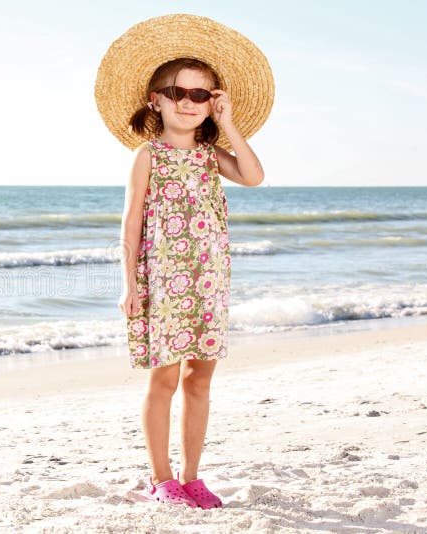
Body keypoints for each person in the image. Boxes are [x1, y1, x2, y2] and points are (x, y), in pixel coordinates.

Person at [94, 14, 275, 508]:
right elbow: (131, 225)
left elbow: (255, 176)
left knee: (201, 377)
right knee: (166, 376)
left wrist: (229, 122)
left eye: (203, 95)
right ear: (157, 99)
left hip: (210, 280)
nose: (191, 103)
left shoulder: (212, 153)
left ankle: (193, 476)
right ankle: (162, 477)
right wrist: (128, 285)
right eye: (181, 93)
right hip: (163, 283)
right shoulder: (147, 154)